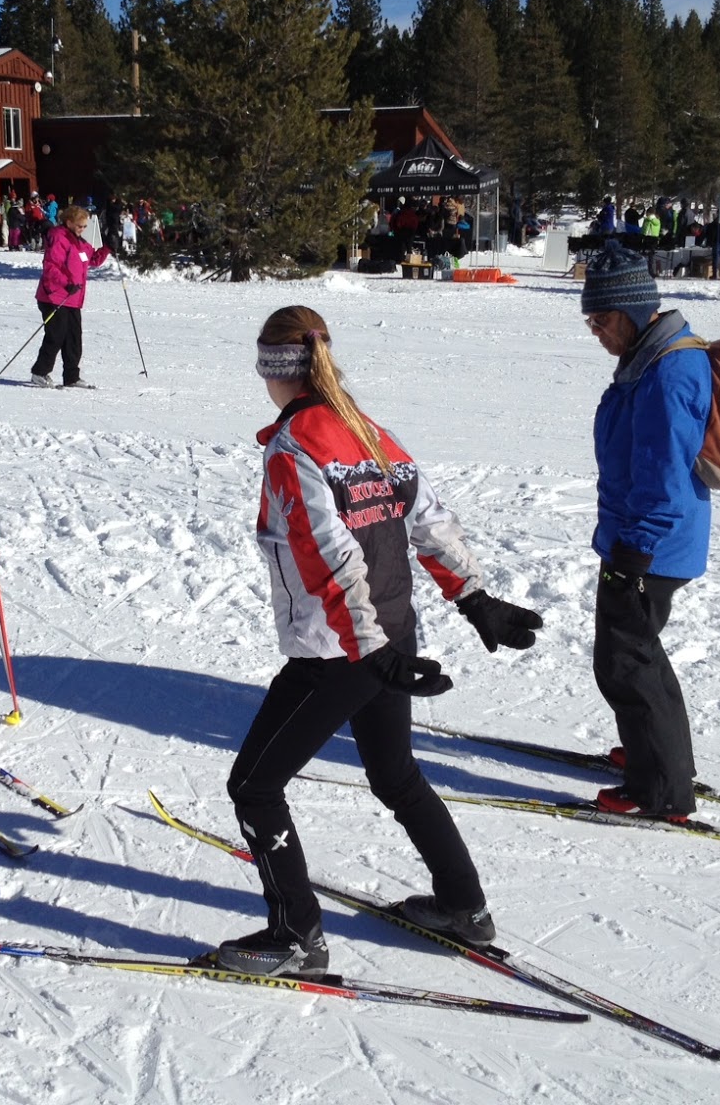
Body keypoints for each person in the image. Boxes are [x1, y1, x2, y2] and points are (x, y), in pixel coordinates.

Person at [212, 304, 545, 977]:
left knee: (254, 785)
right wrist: (472, 596)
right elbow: (432, 520)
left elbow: (327, 553)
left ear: (274, 369)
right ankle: (463, 907)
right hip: (386, 636)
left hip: (341, 648)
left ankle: (296, 938)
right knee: (396, 774)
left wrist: (372, 643)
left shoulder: (295, 448)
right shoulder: (370, 433)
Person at [580, 242, 712, 822]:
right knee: (637, 656)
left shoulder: (667, 373)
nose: (595, 331)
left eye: (600, 319)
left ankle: (659, 789)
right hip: (642, 537)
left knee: (626, 663)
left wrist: (635, 551)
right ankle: (655, 754)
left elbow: (664, 476)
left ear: (631, 312)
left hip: (648, 544)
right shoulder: (651, 358)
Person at [29, 203, 111, 388]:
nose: (83, 229)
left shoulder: (80, 242)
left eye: (85, 226)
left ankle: (71, 376)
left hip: (73, 298)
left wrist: (107, 247)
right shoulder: (59, 237)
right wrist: (66, 282)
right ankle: (40, 372)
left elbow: (93, 259)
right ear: (69, 222)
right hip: (54, 296)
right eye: (80, 226)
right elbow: (51, 266)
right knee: (56, 335)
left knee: (74, 338)